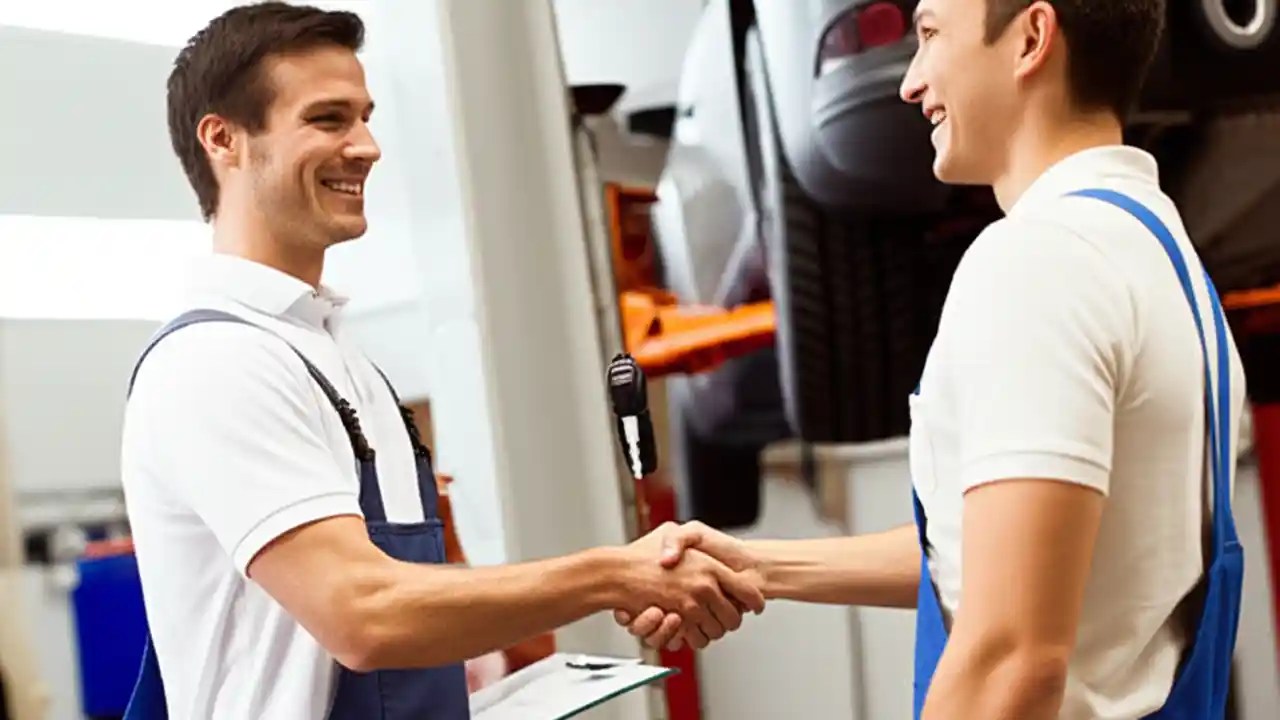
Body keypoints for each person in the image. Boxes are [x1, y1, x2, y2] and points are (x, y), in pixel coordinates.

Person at [118, 4, 763, 719]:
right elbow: (363, 615)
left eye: (366, 117)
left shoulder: (340, 360)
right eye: (329, 120)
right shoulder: (216, 362)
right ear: (224, 140)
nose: (367, 146)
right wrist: (614, 573)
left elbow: (393, 605)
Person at [621, 1, 1249, 718]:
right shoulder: (1163, 262)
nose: (911, 82)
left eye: (928, 36)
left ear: (1031, 40)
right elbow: (1005, 559)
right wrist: (760, 566)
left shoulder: (1038, 262)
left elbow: (1011, 655)